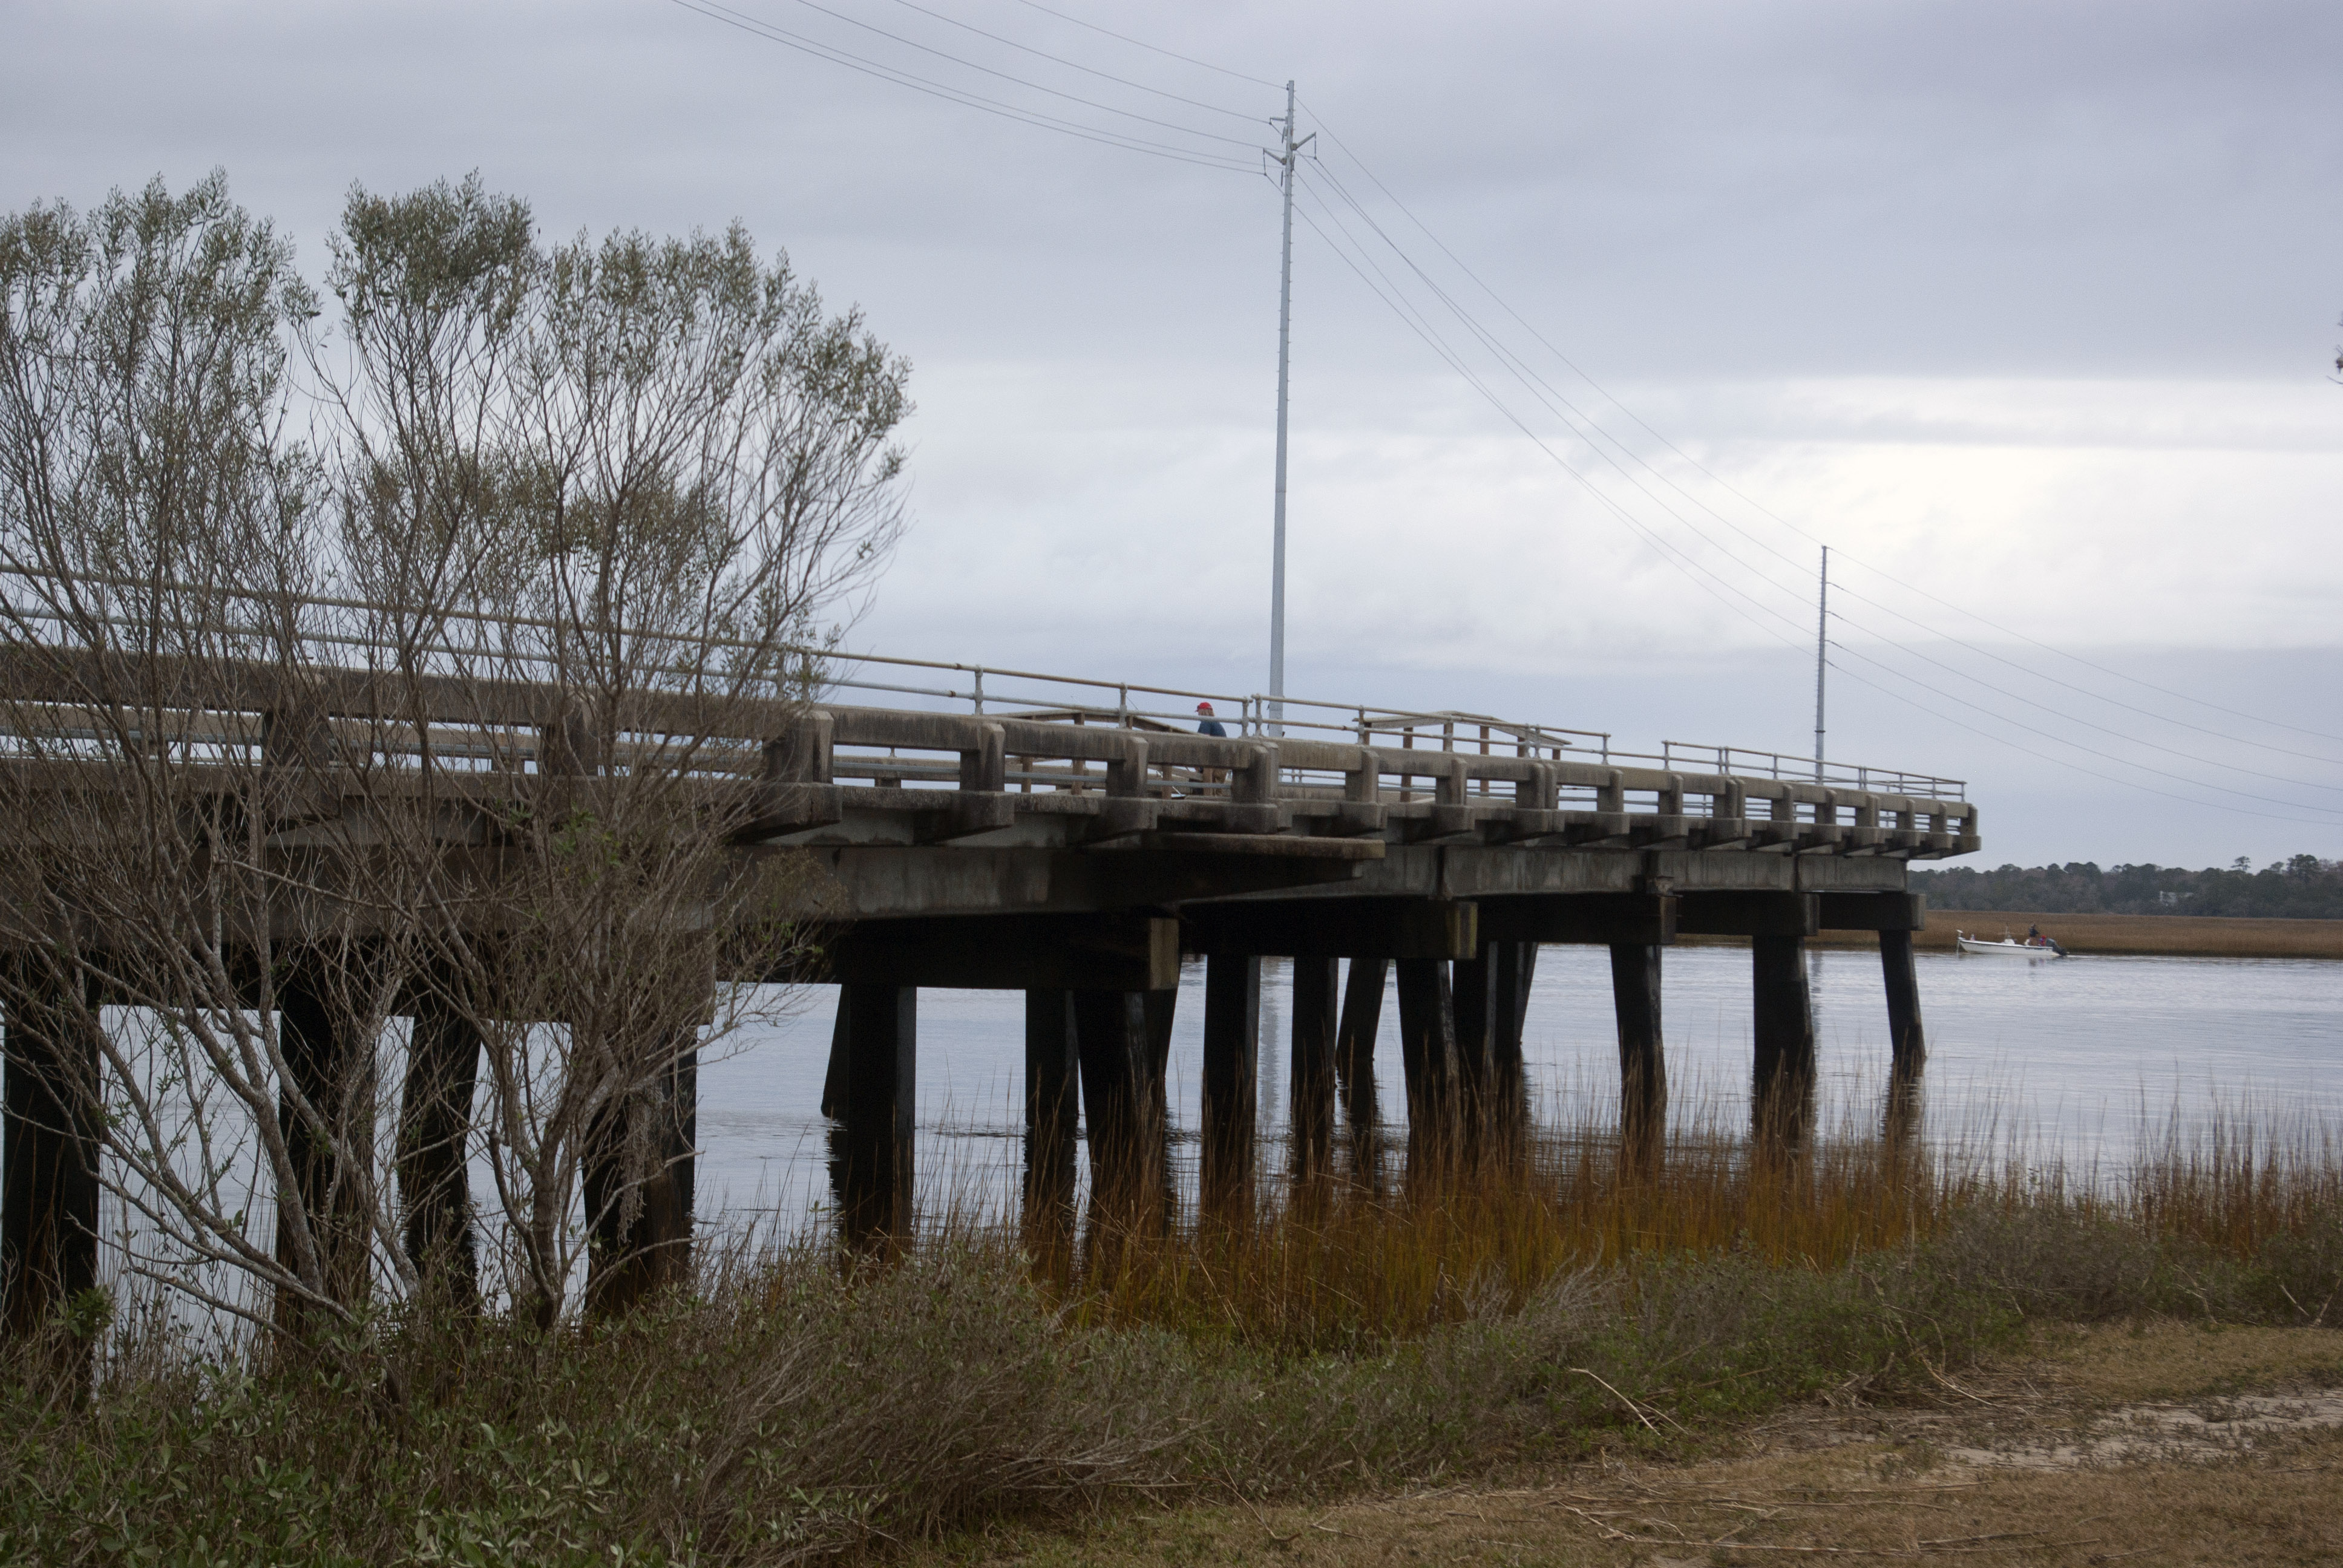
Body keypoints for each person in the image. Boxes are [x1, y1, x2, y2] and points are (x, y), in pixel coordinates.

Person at [1194, 701, 1228, 789]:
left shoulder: (1206, 722)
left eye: (1199, 712)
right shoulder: (1216, 723)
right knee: (1217, 794)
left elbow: (1205, 740)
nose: (1198, 714)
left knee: (1209, 792)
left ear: (1202, 711)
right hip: (1223, 765)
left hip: (1213, 766)